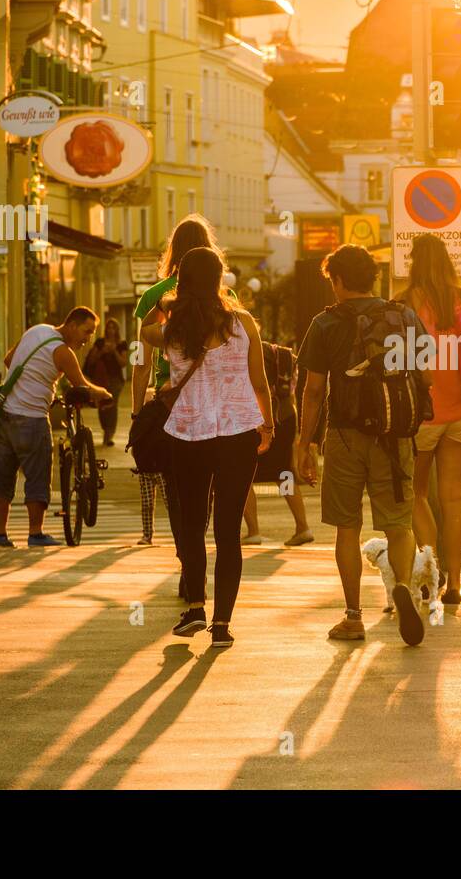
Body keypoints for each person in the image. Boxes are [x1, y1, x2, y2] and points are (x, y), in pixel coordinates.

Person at [295, 243, 430, 646]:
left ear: (337, 280)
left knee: (347, 526)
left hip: (345, 435)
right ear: (373, 277)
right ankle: (402, 587)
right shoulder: (404, 316)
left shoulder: (325, 323)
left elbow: (313, 391)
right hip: (394, 433)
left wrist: (305, 443)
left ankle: (353, 617)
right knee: (399, 525)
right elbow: (426, 375)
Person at [139, 247, 274, 649]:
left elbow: (143, 328)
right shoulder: (243, 323)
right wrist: (267, 425)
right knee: (228, 530)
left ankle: (196, 607)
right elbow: (260, 382)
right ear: (220, 279)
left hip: (188, 434)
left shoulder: (172, 329)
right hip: (238, 433)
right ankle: (222, 625)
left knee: (193, 524)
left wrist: (168, 299)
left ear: (182, 282)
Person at [132, 214, 222, 596]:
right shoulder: (223, 296)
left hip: (170, 403)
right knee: (206, 487)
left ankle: (188, 560)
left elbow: (140, 359)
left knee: (176, 487)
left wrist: (138, 411)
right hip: (213, 403)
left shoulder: (155, 296)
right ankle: (195, 557)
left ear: (173, 252)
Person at [400, 233, 461, 610]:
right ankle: (457, 584)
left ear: (414, 262)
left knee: (416, 494)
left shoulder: (407, 302)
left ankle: (431, 575)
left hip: (425, 415)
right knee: (454, 498)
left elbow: (401, 358)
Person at [0, 307, 111, 548]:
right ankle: (36, 533)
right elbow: (82, 386)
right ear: (72, 325)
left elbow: (9, 360)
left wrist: (39, 380)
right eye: (86, 331)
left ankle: (0, 535)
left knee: (2, 478)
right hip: (32, 419)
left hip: (5, 416)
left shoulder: (36, 331)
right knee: (38, 476)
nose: (88, 339)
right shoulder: (63, 351)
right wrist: (104, 393)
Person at [242, 339, 314, 547]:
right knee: (284, 474)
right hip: (286, 417)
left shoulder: (246, 352)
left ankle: (253, 531)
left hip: (260, 420)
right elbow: (291, 392)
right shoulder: (280, 355)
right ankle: (303, 527)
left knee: (243, 474)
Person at [83, 317, 129, 446]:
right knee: (102, 405)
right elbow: (91, 360)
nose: (110, 330)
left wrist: (114, 351)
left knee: (112, 405)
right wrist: (102, 351)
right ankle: (105, 430)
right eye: (109, 327)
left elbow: (123, 363)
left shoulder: (122, 344)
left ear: (117, 330)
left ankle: (109, 434)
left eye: (113, 328)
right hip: (101, 379)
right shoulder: (100, 342)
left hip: (116, 380)